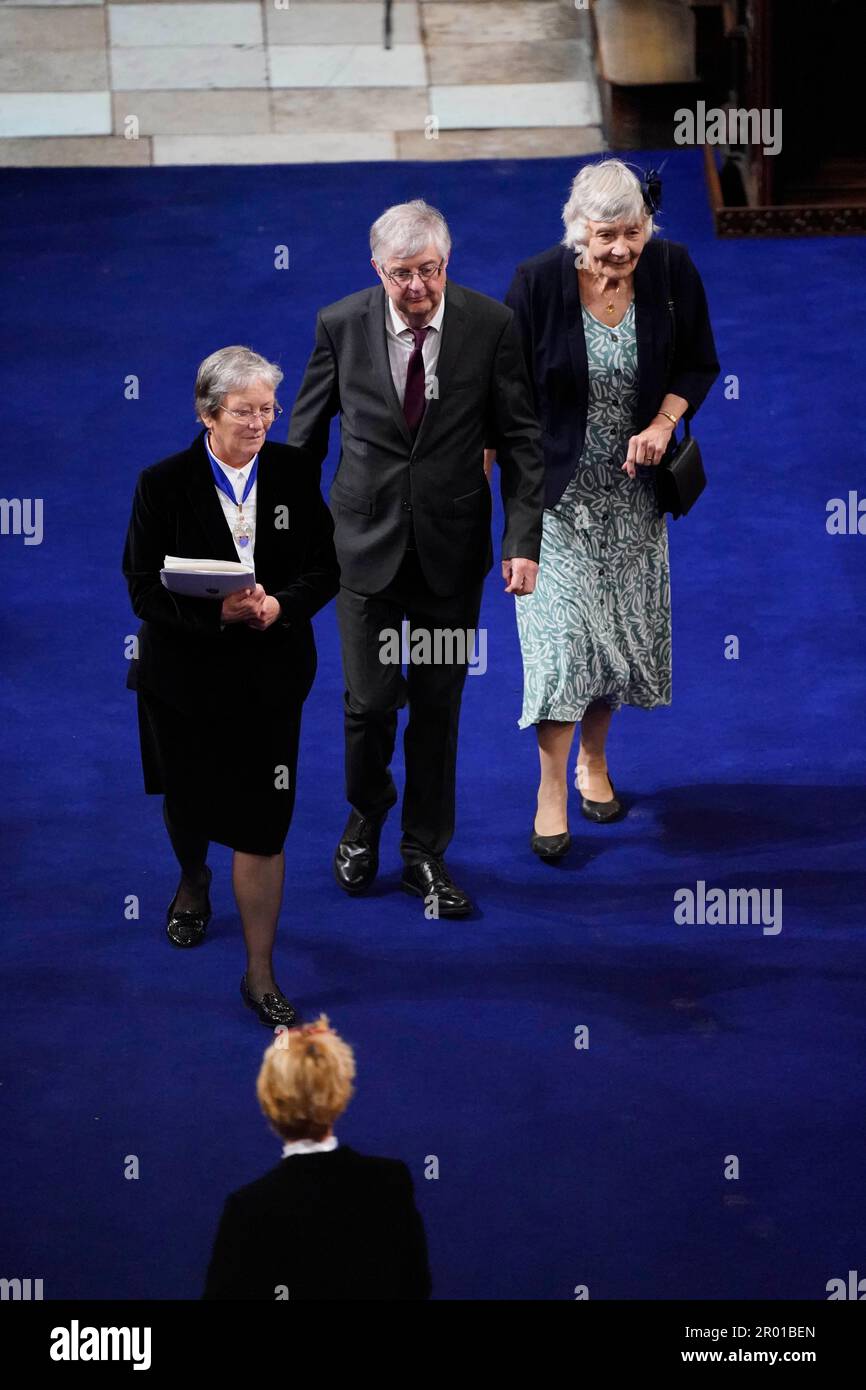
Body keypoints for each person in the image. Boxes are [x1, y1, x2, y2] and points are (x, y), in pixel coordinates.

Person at [289, 199, 544, 916]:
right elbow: (304, 442)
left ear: (446, 263)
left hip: (449, 557)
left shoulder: (489, 326)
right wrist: (286, 535)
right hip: (362, 552)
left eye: (429, 271)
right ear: (377, 269)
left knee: (437, 706)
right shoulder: (340, 326)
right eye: (402, 274)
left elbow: (522, 440)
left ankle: (423, 853)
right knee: (369, 704)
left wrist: (521, 542)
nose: (418, 288)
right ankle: (366, 814)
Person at [500, 159, 719, 859]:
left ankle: (596, 760)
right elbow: (503, 389)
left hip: (632, 497)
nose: (620, 248)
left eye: (632, 231)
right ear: (576, 231)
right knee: (564, 648)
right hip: (555, 498)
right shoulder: (538, 282)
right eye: (605, 235)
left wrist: (662, 423)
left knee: (615, 648)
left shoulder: (671, 270)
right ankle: (552, 787)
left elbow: (698, 362)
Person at [122, 346, 339, 1025]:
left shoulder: (295, 472)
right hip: (182, 682)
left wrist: (281, 606)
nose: (260, 425)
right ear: (208, 414)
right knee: (189, 806)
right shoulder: (162, 484)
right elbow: (140, 588)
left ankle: (260, 972)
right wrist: (214, 612)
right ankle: (192, 879)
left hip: (271, 680)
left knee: (263, 825)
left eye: (268, 411)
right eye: (244, 412)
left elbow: (325, 568)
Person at [202, 1015, 432, 1300]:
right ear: (340, 1091)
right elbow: (415, 1286)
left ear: (269, 1098)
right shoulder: (390, 1181)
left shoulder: (248, 1209)